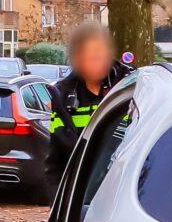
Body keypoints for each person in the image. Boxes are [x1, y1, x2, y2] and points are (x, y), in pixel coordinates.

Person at [44, 22, 120, 180]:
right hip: (83, 196)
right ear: (77, 58)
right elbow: (56, 164)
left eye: (100, 52)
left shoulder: (129, 87)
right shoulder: (63, 99)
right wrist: (60, 203)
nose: (97, 59)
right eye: (89, 54)